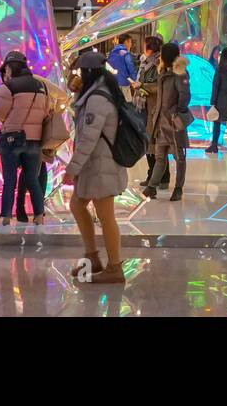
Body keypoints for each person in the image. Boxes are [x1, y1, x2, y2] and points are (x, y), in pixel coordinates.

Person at [65, 51, 127, 284]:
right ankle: (92, 257)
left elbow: (88, 139)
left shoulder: (97, 99)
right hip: (95, 165)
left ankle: (114, 266)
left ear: (88, 72)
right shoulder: (95, 93)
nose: (77, 76)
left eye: (80, 72)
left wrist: (72, 168)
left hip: (102, 165)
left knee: (105, 215)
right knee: (77, 204)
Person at [0, 53, 48, 226]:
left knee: (10, 179)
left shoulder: (8, 87)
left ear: (10, 68)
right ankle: (39, 215)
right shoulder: (40, 86)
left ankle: (6, 216)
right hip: (35, 140)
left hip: (12, 138)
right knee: (32, 179)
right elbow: (45, 111)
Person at [143, 42, 190, 201]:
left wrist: (177, 112)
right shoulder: (163, 72)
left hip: (173, 122)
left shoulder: (180, 74)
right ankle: (152, 187)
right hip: (161, 121)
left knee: (179, 157)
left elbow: (185, 95)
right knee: (160, 156)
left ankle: (178, 188)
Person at [133, 35, 168, 186]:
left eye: (145, 45)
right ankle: (152, 175)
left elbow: (160, 87)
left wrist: (143, 87)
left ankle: (161, 177)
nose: (142, 47)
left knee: (156, 144)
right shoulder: (144, 62)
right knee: (148, 143)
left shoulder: (160, 63)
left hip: (155, 108)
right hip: (144, 107)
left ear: (151, 48)